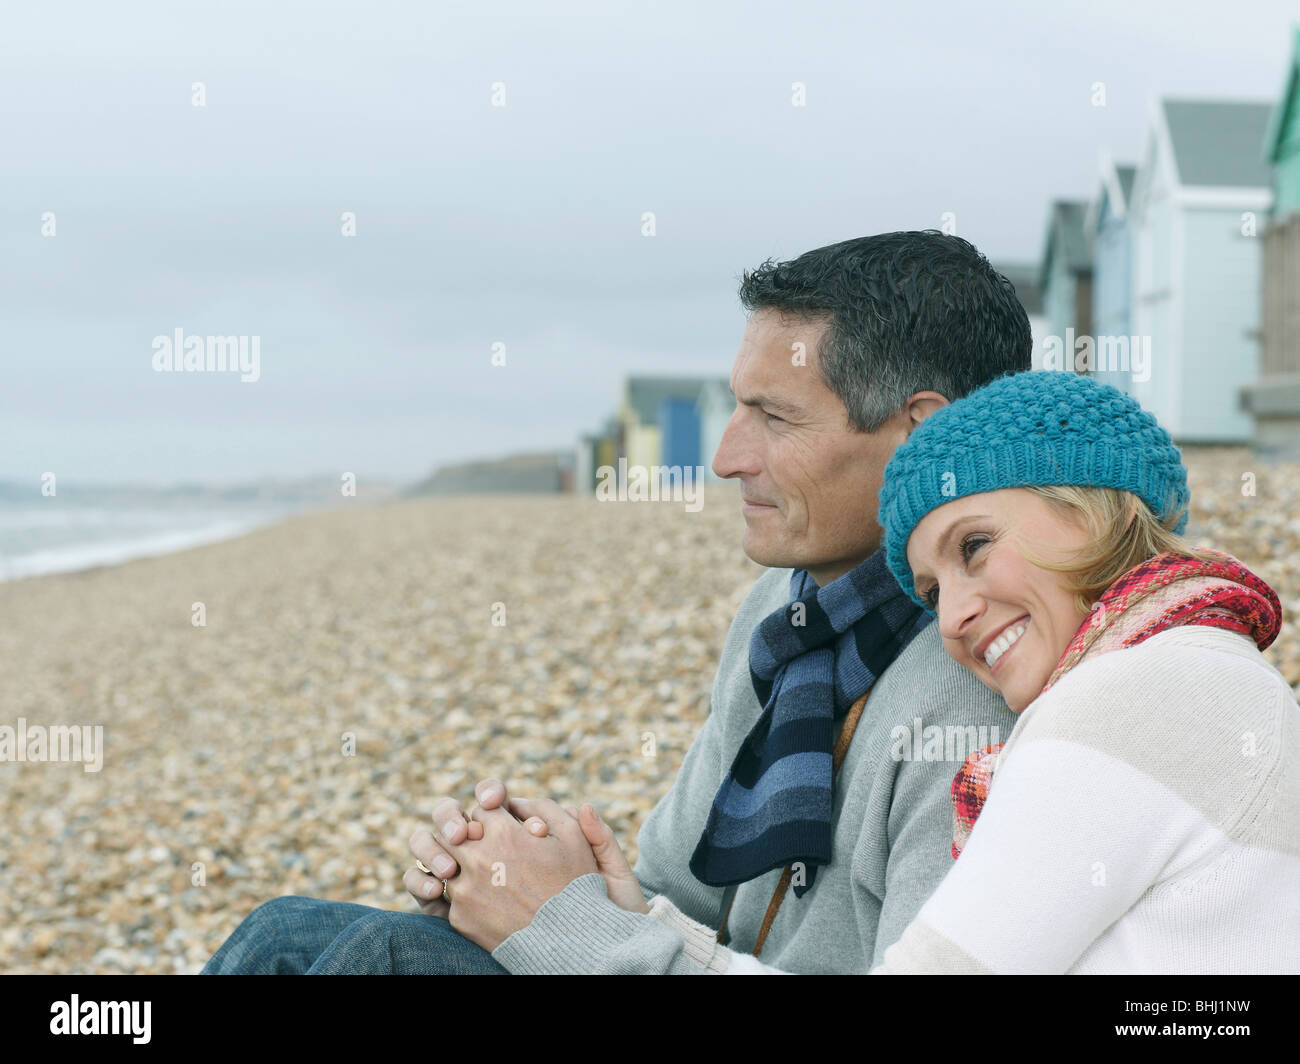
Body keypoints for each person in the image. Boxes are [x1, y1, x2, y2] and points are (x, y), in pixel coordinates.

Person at [202, 231, 1030, 975]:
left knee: (388, 957)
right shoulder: (787, 613)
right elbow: (678, 895)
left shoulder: (974, 675)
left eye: (774, 418)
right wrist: (516, 877)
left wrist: (564, 925)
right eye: (736, 406)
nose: (726, 456)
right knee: (288, 933)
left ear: (921, 433)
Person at [593, 369, 1300, 973]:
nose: (953, 618)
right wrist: (647, 921)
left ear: (1091, 507)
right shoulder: (1209, 667)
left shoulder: (1131, 698)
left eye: (976, 546)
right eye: (931, 592)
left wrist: (600, 940)